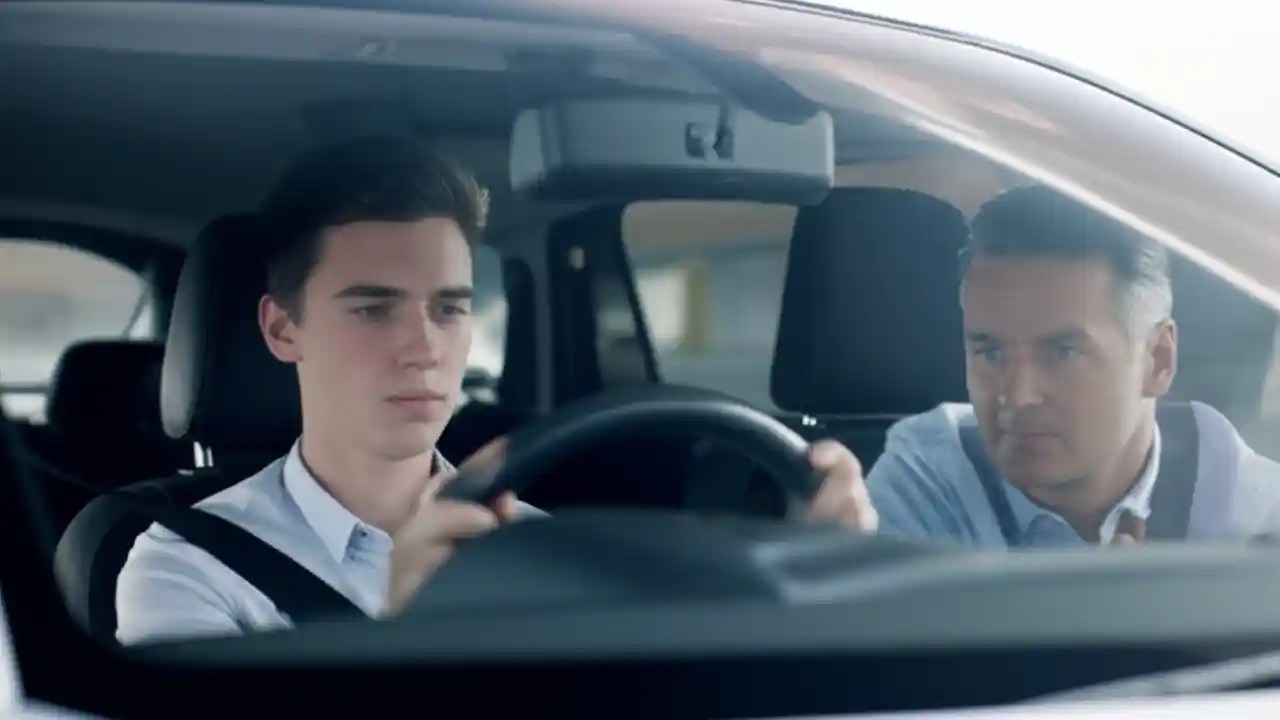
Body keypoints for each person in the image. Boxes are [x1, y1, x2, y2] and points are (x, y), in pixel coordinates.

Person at [114, 135, 876, 646]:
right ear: (284, 331)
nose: (424, 347)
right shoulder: (186, 567)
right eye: (373, 308)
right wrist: (407, 645)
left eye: (449, 308)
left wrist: (823, 592)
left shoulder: (554, 552)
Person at [865, 184, 1280, 547]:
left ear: (1158, 360)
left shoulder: (1242, 510)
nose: (1018, 396)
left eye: (1063, 352)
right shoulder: (931, 482)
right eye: (991, 353)